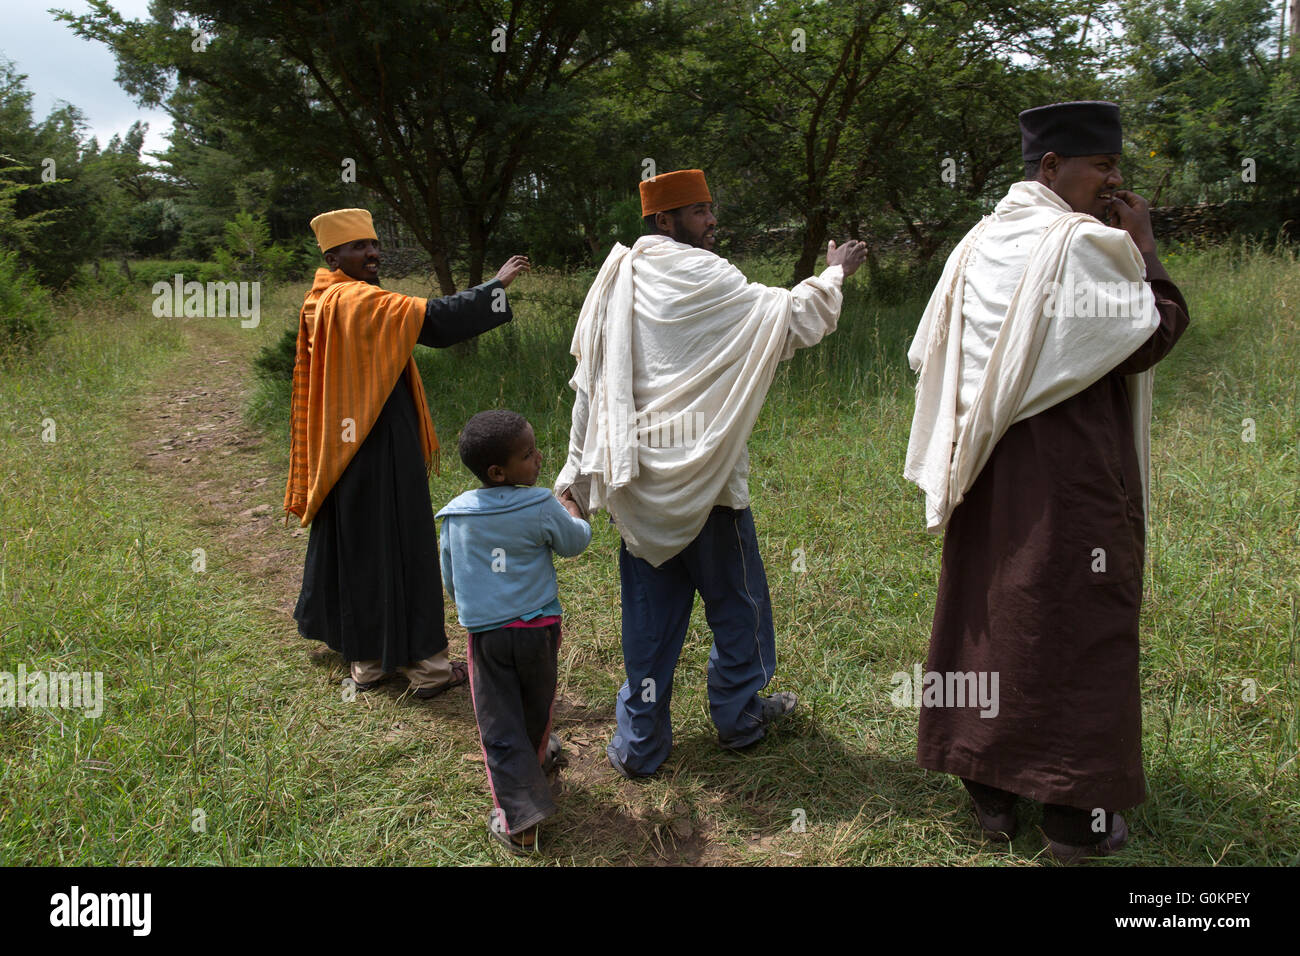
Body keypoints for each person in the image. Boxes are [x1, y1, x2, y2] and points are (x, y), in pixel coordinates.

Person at [904, 102, 1190, 862]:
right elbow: (1149, 334)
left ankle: (989, 786)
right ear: (1051, 168)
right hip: (1069, 468)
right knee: (1078, 617)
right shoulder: (1084, 245)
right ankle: (1075, 816)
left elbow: (935, 350)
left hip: (988, 459)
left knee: (991, 609)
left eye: (1115, 166)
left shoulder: (979, 241)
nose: (1114, 181)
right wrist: (1146, 250)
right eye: (1100, 166)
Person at [555, 169, 868, 777]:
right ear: (665, 221)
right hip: (712, 488)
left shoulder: (616, 278)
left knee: (649, 622)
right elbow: (793, 319)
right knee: (739, 608)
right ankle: (737, 718)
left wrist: (577, 476)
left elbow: (591, 388)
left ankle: (641, 744)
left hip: (638, 484)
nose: (712, 221)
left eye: (710, 209)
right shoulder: (705, 275)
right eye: (699, 212)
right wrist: (835, 272)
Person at [285, 207, 530, 699]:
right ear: (333, 255)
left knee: (360, 549)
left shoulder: (321, 300)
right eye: (358, 247)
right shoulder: (357, 300)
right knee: (404, 547)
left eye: (373, 244)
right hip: (380, 445)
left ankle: (369, 663)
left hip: (342, 444)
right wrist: (496, 286)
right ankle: (429, 669)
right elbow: (436, 323)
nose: (371, 253)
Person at [436, 410, 592, 853]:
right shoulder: (541, 504)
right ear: (498, 471)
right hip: (539, 630)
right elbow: (575, 543)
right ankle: (535, 768)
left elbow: (450, 576)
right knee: (535, 705)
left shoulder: (457, 517)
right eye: (528, 454)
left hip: (487, 636)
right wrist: (573, 511)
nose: (539, 458)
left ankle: (520, 819)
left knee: (498, 721)